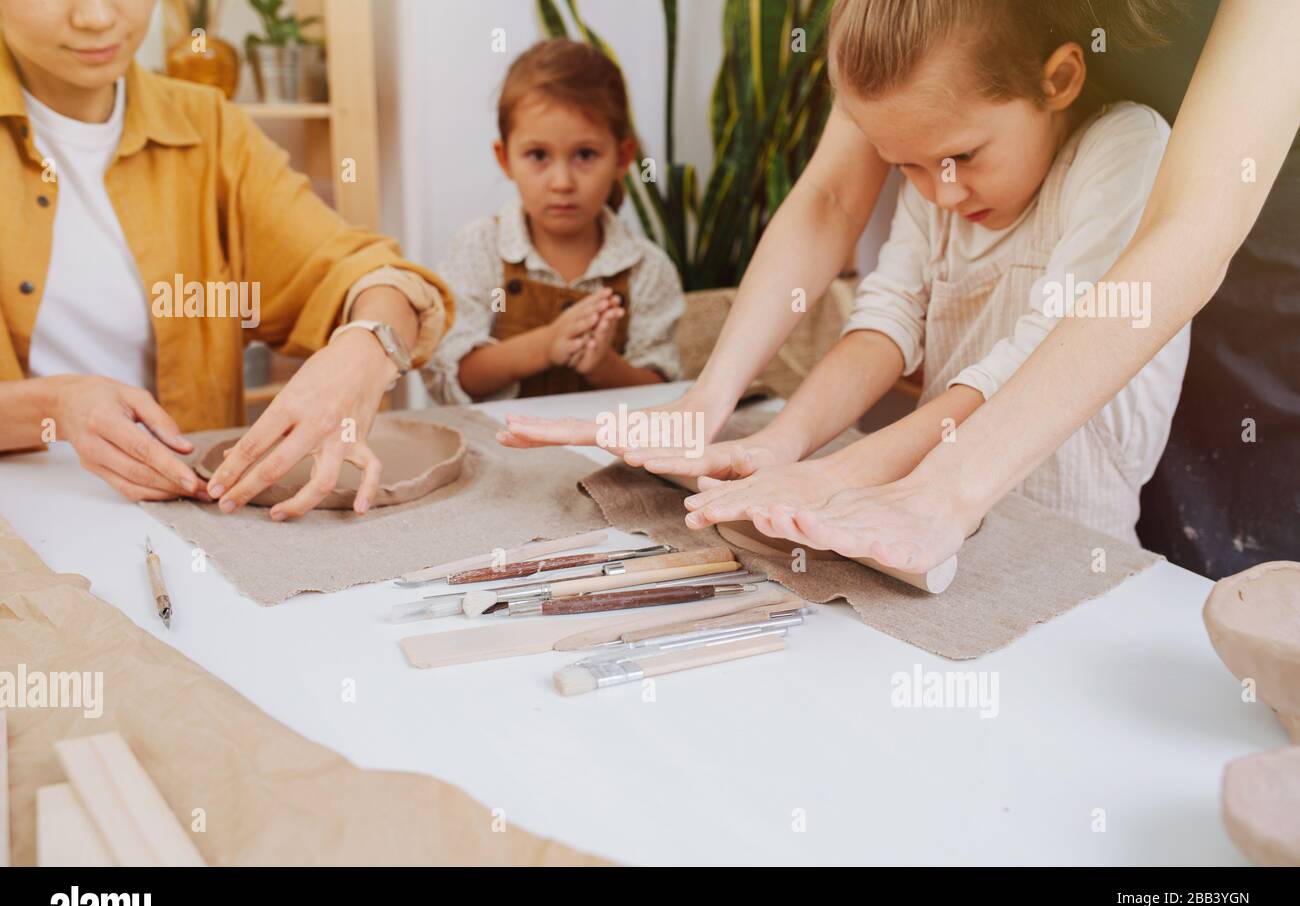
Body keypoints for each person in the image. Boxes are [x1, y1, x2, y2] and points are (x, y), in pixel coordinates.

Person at [498, 0, 1300, 575]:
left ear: (1058, 79)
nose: (933, 191)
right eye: (903, 167)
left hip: (1233, 244)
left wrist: (862, 473)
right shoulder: (939, 161)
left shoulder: (1122, 153)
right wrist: (737, 420)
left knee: (1226, 578)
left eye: (954, 159)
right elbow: (867, 277)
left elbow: (1177, 243)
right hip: (966, 518)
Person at [0, 0, 452, 521]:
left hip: (191, 523)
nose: (98, 17)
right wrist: (54, 407)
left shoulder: (209, 127)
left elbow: (368, 274)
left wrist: (366, 347)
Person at [423, 38, 682, 405]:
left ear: (622, 158)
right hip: (500, 455)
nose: (562, 182)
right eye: (538, 155)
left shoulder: (648, 269)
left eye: (585, 155)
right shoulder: (479, 248)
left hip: (609, 457)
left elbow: (665, 393)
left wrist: (603, 365)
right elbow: (452, 378)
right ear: (505, 158)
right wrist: (545, 346)